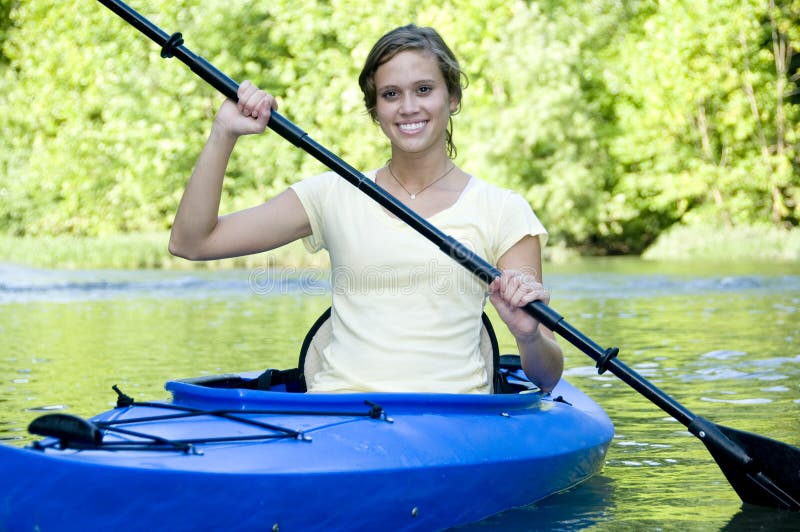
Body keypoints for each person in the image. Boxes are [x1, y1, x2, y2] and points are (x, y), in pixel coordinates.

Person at [169, 24, 563, 394]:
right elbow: (193, 242)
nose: (408, 107)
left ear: (453, 97)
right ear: (375, 109)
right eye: (391, 94)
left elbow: (547, 377)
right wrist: (224, 132)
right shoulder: (332, 194)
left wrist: (528, 336)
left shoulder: (504, 211)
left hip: (454, 419)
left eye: (424, 89)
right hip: (339, 416)